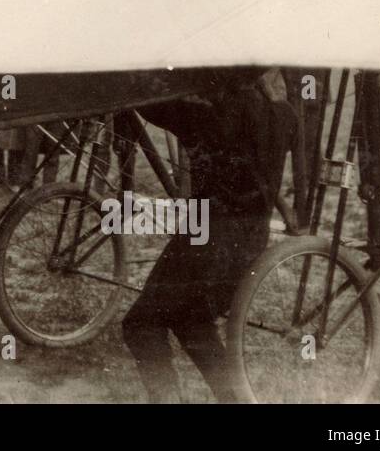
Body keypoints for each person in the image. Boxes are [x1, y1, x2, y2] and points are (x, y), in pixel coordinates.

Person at [120, 69, 296, 403]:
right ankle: (234, 399)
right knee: (193, 320)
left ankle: (167, 399)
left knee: (141, 324)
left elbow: (147, 101)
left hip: (206, 237)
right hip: (251, 242)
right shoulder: (284, 116)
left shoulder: (204, 115)